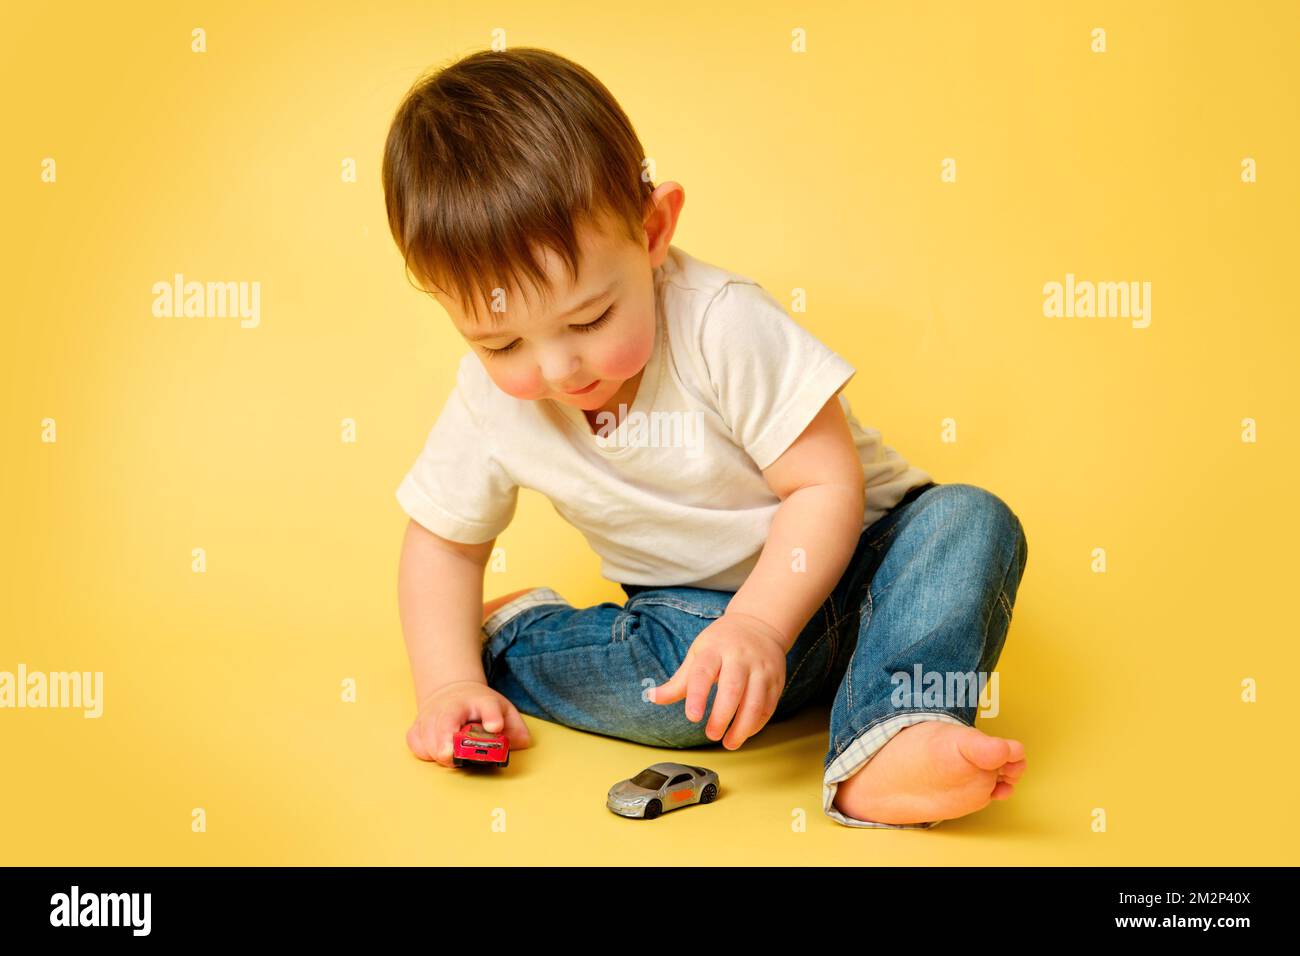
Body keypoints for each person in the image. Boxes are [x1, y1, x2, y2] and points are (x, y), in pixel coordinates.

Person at [385, 47, 1028, 828]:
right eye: (500, 344)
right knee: (684, 694)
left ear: (653, 230)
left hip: (868, 576)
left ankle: (888, 735)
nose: (558, 369)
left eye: (588, 319)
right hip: (695, 621)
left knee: (971, 519)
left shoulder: (722, 324)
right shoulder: (488, 405)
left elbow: (823, 484)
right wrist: (448, 684)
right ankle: (515, 640)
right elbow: (443, 544)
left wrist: (760, 623)